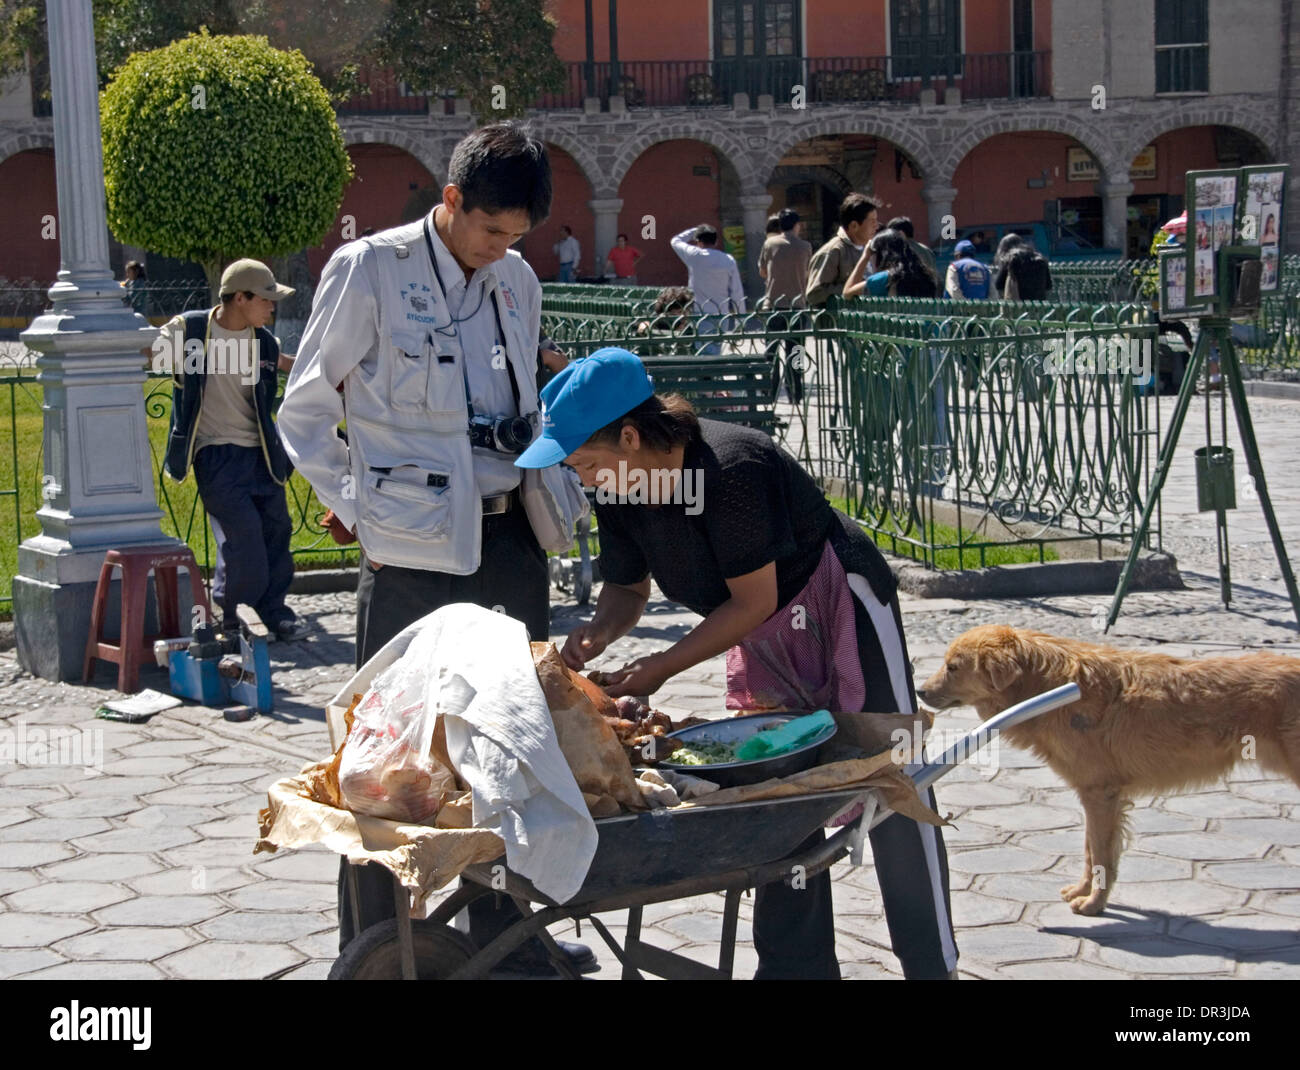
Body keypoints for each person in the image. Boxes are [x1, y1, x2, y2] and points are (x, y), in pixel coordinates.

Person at [514, 349, 959, 981]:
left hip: (839, 603)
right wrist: (595, 638)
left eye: (583, 462)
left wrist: (662, 667)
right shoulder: (619, 486)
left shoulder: (731, 468)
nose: (581, 478)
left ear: (632, 437)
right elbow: (627, 591)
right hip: (766, 627)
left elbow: (756, 599)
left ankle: (930, 965)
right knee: (780, 785)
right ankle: (796, 970)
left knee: (889, 774)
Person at [276, 121, 592, 976]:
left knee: (511, 745)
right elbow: (303, 412)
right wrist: (359, 507)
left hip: (510, 541)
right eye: (490, 231)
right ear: (451, 200)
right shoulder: (370, 269)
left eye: (516, 237)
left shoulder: (516, 281)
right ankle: (375, 941)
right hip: (411, 555)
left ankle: (504, 931)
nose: (500, 251)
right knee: (387, 759)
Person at [159, 259, 309, 642]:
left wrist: (333, 375)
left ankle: (274, 613)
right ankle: (233, 616)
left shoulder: (262, 342)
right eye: (266, 299)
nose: (272, 307)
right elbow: (147, 352)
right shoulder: (192, 331)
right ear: (240, 298)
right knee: (243, 539)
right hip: (216, 454)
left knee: (278, 530)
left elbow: (287, 365)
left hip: (261, 454)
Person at [757, 208, 812, 403]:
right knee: (796, 352)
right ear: (797, 225)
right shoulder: (805, 246)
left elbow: (763, 271)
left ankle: (769, 392)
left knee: (771, 352)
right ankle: (795, 393)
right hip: (797, 306)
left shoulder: (770, 244)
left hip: (773, 305)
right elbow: (808, 272)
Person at [670, 223, 746, 355]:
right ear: (716, 241)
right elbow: (737, 291)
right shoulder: (728, 260)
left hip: (699, 313)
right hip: (721, 314)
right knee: (716, 350)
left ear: (698, 242)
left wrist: (695, 230)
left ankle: (707, 375)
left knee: (702, 352)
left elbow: (675, 241)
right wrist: (741, 319)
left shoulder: (693, 255)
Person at [805, 192, 881, 307]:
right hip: (837, 323)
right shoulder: (833, 251)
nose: (877, 226)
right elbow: (814, 294)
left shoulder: (869, 249)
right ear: (854, 226)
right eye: (872, 221)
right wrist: (854, 287)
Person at [844, 229, 940, 299]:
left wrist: (865, 256)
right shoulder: (925, 274)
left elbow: (847, 293)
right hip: (929, 326)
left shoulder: (884, 279)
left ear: (881, 254)